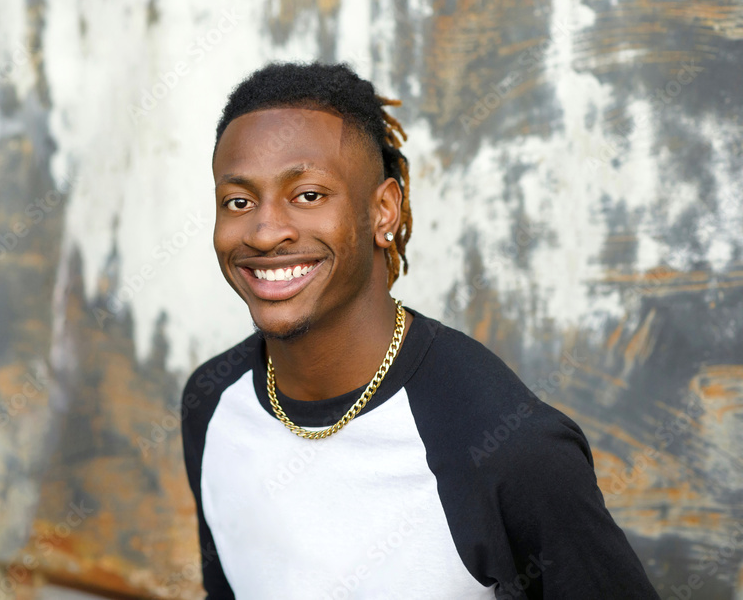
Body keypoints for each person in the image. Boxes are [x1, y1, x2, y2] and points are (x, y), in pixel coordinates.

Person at [179, 61, 660, 599]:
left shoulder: (507, 448)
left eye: (308, 195)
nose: (266, 233)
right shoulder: (212, 402)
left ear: (385, 211)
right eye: (239, 202)